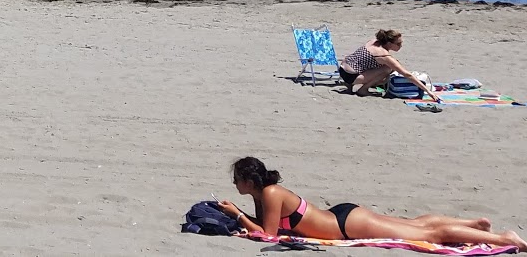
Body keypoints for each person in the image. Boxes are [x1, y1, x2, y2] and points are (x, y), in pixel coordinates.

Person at [217, 156, 525, 248]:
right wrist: (242, 215)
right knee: (416, 224)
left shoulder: (270, 194)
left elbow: (269, 235)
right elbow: (266, 227)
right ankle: (473, 224)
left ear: (248, 181)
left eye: (236, 180)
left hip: (346, 225)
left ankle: (503, 239)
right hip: (343, 217)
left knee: (430, 236)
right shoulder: (263, 195)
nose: (234, 184)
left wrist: (237, 215)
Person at [337, 29, 439, 100]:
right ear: (389, 44)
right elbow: (407, 74)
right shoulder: (383, 55)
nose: (401, 46)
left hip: (342, 68)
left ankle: (350, 86)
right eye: (398, 44)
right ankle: (363, 90)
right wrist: (428, 91)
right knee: (387, 69)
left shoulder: (374, 41)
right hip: (351, 76)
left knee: (370, 63)